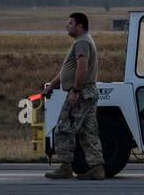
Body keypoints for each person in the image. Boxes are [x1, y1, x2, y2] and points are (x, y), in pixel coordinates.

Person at [43, 11, 105, 180]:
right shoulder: (82, 41)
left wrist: (75, 91)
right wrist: (52, 86)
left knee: (64, 128)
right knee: (88, 132)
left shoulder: (82, 42)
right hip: (88, 92)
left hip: (81, 92)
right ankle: (97, 168)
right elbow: (66, 70)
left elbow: (82, 68)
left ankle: (65, 167)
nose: (67, 26)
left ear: (80, 26)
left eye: (70, 23)